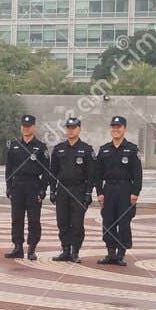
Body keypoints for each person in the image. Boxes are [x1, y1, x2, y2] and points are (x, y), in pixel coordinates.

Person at [94, 114, 143, 266]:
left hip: (125, 190)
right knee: (108, 222)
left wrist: (135, 193)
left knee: (123, 222)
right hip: (108, 189)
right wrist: (100, 193)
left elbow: (138, 174)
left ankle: (121, 254)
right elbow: (97, 174)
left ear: (124, 129)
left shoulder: (132, 149)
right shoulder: (104, 150)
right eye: (113, 127)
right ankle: (110, 253)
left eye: (119, 127)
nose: (116, 130)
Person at [47, 114, 95, 263]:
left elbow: (91, 174)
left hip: (79, 190)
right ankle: (65, 250)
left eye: (74, 128)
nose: (71, 130)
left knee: (77, 222)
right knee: (62, 221)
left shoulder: (87, 150)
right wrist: (53, 191)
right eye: (68, 128)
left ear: (79, 129)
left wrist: (88, 193)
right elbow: (52, 172)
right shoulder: (59, 149)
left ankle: (75, 252)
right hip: (62, 190)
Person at [3, 113, 49, 261]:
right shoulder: (14, 145)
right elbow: (8, 169)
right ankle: (17, 247)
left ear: (33, 127)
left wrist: (42, 190)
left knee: (34, 220)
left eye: (28, 126)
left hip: (33, 186)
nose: (26, 129)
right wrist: (9, 188)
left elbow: (47, 172)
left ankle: (32, 249)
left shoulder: (41, 147)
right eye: (23, 126)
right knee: (16, 219)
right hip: (17, 186)